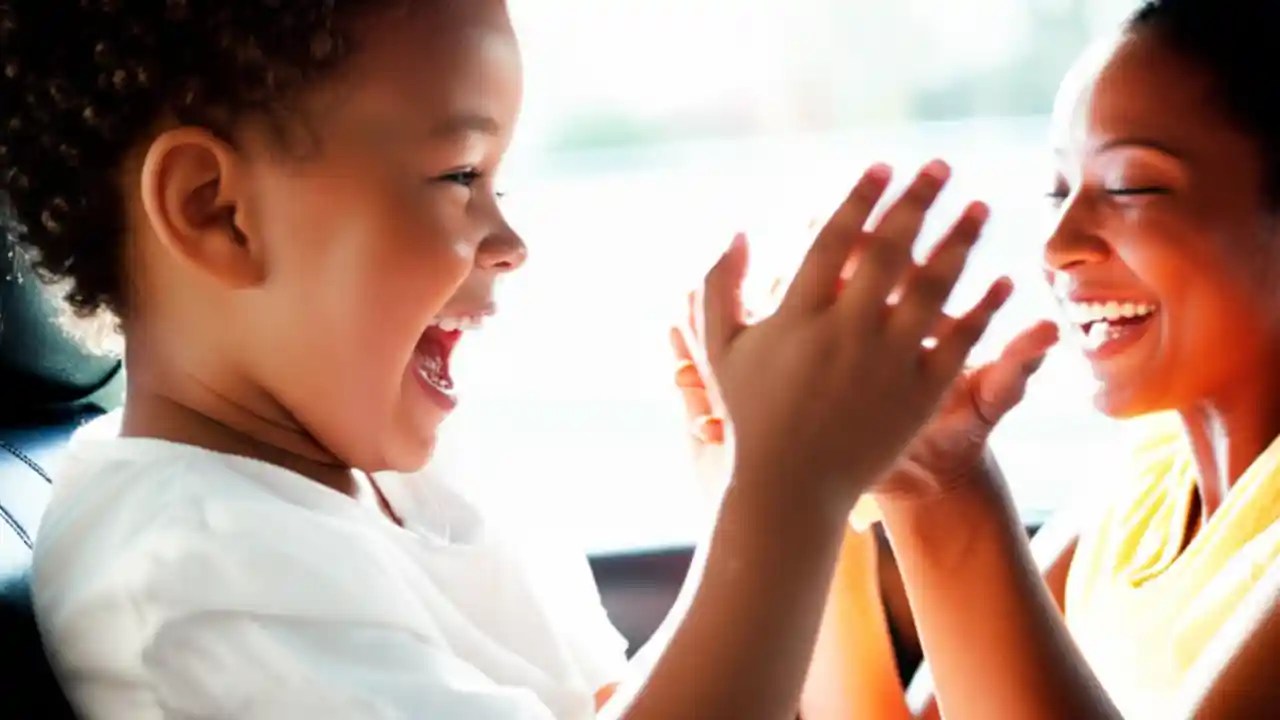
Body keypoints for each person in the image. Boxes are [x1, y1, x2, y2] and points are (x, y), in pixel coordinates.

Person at [2, 1, 1010, 718]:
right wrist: (782, 495)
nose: (509, 240)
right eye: (457, 175)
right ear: (215, 212)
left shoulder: (416, 483)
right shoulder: (185, 575)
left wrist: (763, 494)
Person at [674, 0, 1280, 717]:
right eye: (1059, 191)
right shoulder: (1145, 484)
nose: (1058, 248)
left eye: (1129, 188)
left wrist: (947, 481)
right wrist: (803, 486)